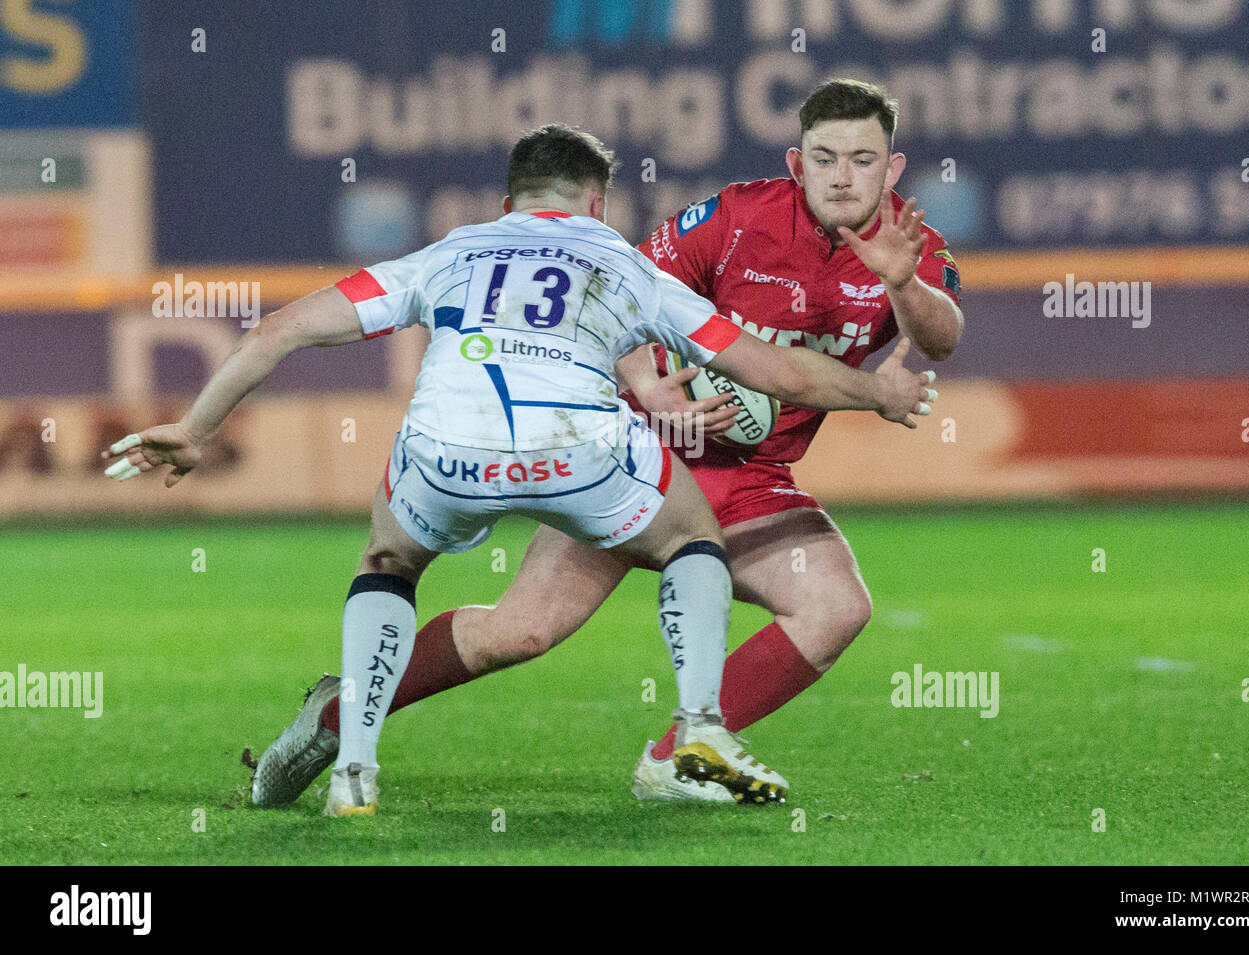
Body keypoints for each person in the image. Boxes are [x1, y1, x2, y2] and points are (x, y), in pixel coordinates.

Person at [104, 122, 938, 814]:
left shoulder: (448, 250)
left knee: (408, 573)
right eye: (827, 158)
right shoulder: (631, 256)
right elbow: (777, 372)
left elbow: (276, 331)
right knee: (688, 540)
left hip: (447, 448)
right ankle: (695, 726)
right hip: (586, 457)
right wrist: (877, 392)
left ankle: (350, 749)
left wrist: (193, 427)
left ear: (508, 204)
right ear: (597, 203)